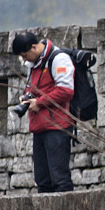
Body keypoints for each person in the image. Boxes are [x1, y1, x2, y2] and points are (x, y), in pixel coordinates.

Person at [10, 31, 76, 193]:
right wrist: (26, 97)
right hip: (39, 126)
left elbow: (66, 90)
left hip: (57, 126)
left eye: (25, 55)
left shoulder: (58, 59)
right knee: (42, 181)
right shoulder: (33, 64)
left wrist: (39, 102)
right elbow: (32, 88)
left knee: (59, 179)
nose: (25, 60)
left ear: (34, 47)